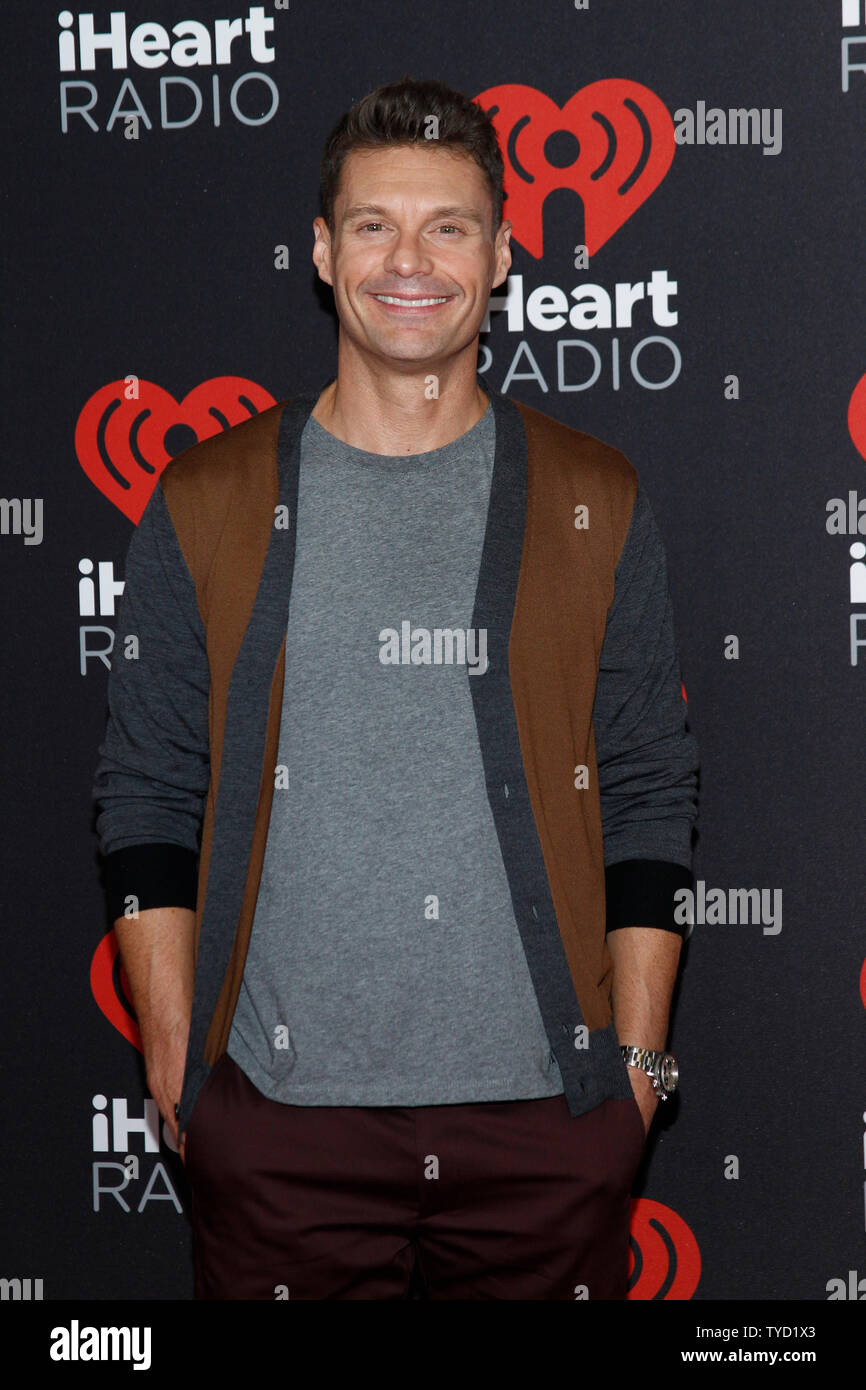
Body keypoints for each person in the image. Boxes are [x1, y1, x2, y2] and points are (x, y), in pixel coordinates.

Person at [92, 75, 699, 1301]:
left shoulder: (594, 500)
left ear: (502, 254)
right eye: (373, 224)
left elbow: (645, 783)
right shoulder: (208, 499)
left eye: (447, 225)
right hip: (277, 1123)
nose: (407, 260)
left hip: (544, 1123)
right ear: (322, 251)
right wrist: (176, 1051)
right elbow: (148, 788)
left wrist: (635, 1067)